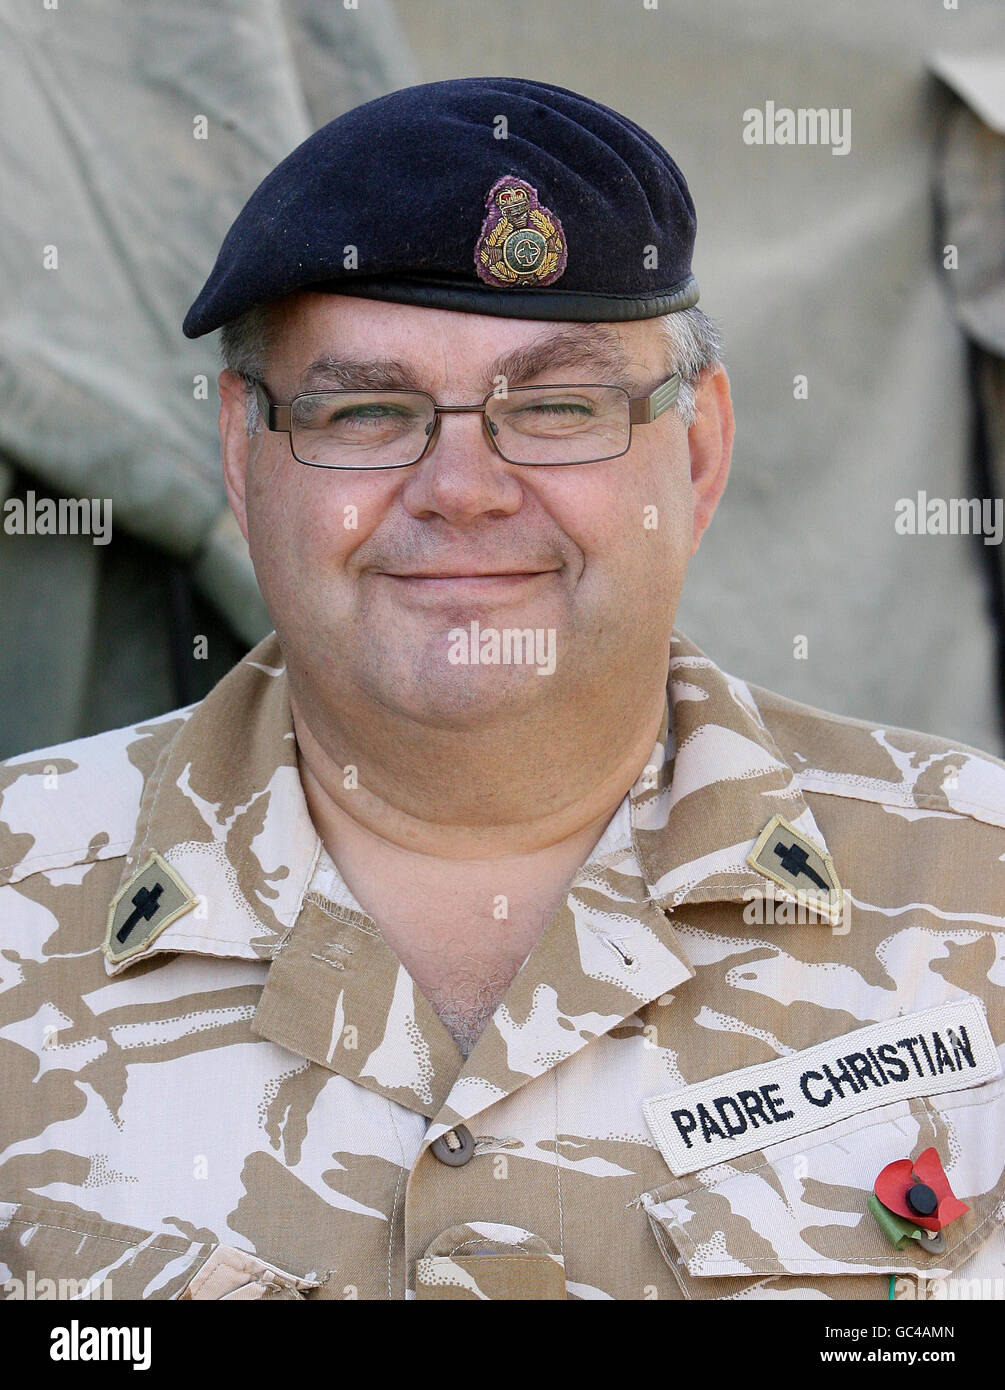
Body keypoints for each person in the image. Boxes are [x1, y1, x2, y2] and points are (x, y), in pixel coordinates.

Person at [1, 77, 1002, 1303]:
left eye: (559, 406)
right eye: (366, 410)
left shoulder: (978, 887)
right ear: (238, 454)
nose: (462, 488)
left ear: (695, 456)